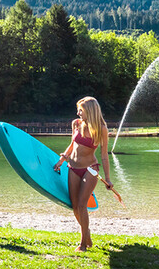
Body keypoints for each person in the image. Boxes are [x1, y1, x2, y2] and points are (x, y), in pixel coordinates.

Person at [53, 96, 112, 252]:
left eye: (81, 110)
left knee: (81, 204)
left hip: (90, 169)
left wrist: (107, 178)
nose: (78, 112)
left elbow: (104, 155)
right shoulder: (76, 124)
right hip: (72, 167)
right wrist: (62, 160)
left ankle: (83, 244)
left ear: (90, 111)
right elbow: (73, 144)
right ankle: (87, 234)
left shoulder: (101, 129)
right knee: (75, 207)